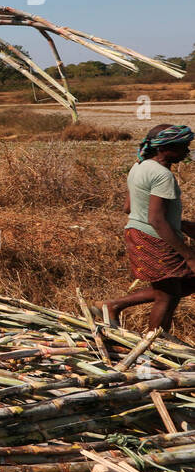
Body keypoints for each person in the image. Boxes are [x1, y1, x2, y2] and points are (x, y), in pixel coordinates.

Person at [98, 124, 195, 334]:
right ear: (164, 148)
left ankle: (114, 305)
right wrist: (188, 255)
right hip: (154, 238)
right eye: (182, 147)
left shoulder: (139, 166)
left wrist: (181, 224)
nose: (187, 152)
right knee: (167, 296)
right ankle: (155, 345)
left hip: (139, 233)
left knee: (178, 287)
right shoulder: (162, 175)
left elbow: (129, 207)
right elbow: (156, 219)